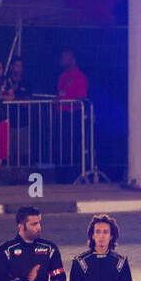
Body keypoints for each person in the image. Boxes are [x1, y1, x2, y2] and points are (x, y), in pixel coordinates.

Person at [57, 49, 88, 182]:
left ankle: (74, 174)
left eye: (65, 57)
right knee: (62, 145)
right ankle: (62, 175)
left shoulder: (80, 77)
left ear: (72, 59)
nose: (62, 59)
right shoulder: (62, 76)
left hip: (73, 116)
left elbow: (81, 97)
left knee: (73, 145)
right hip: (61, 116)